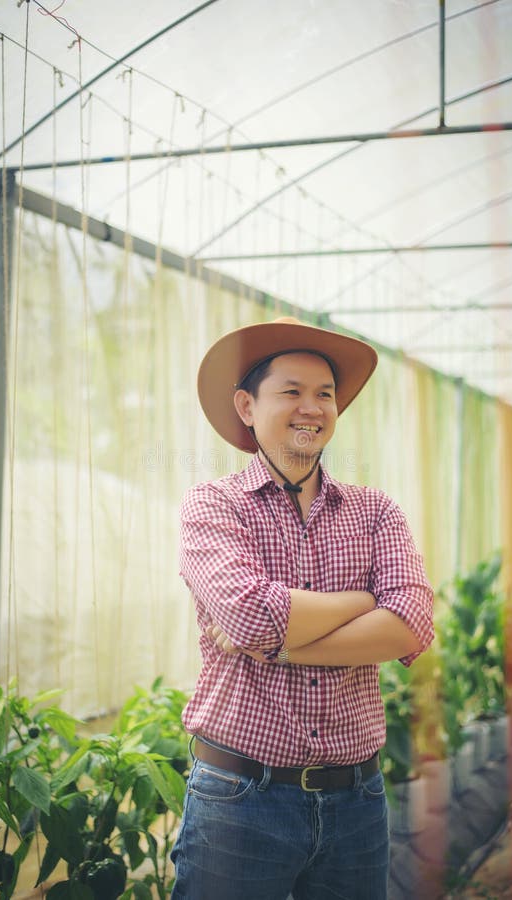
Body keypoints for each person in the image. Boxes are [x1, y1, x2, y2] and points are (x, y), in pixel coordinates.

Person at [171, 316, 434, 900]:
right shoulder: (213, 506)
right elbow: (248, 615)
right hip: (241, 798)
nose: (311, 408)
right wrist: (366, 602)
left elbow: (412, 622)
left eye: (325, 395)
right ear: (246, 405)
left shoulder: (375, 511)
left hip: (357, 802)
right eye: (291, 391)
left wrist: (282, 640)